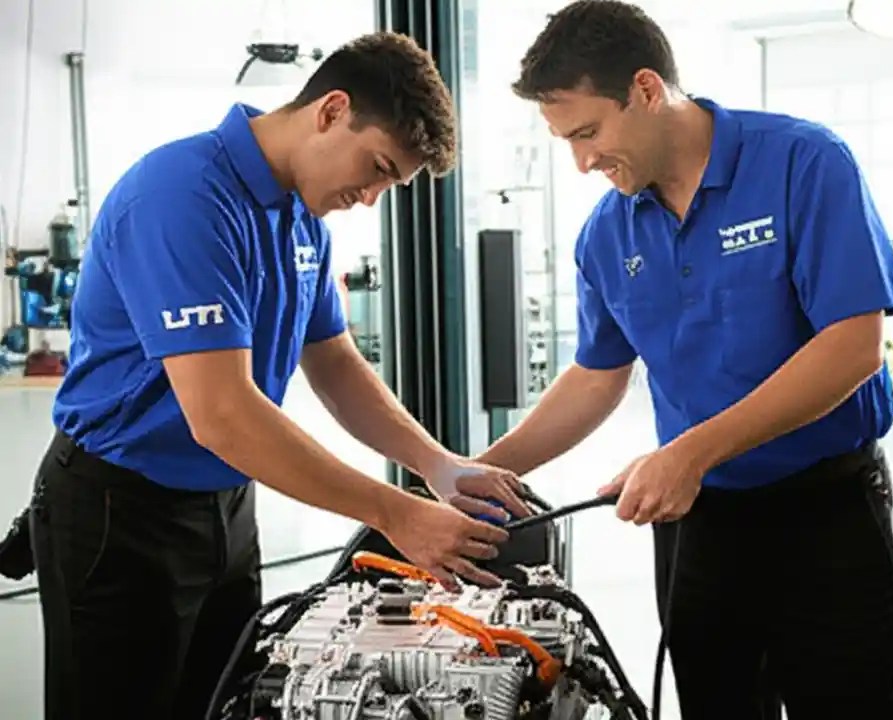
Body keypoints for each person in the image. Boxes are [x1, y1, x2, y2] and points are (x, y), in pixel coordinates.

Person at [30, 31, 530, 720]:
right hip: (122, 512)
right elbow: (223, 415)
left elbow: (334, 362)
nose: (372, 198)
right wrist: (393, 513)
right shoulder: (182, 197)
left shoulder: (301, 220)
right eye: (378, 167)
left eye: (394, 185)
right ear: (330, 110)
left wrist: (435, 465)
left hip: (226, 507)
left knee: (224, 701)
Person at [479, 2, 893, 718]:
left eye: (588, 133)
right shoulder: (606, 234)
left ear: (647, 90)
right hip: (700, 530)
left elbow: (852, 348)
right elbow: (596, 375)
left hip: (826, 518)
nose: (582, 162)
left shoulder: (802, 163)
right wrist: (487, 474)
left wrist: (689, 452)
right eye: (566, 141)